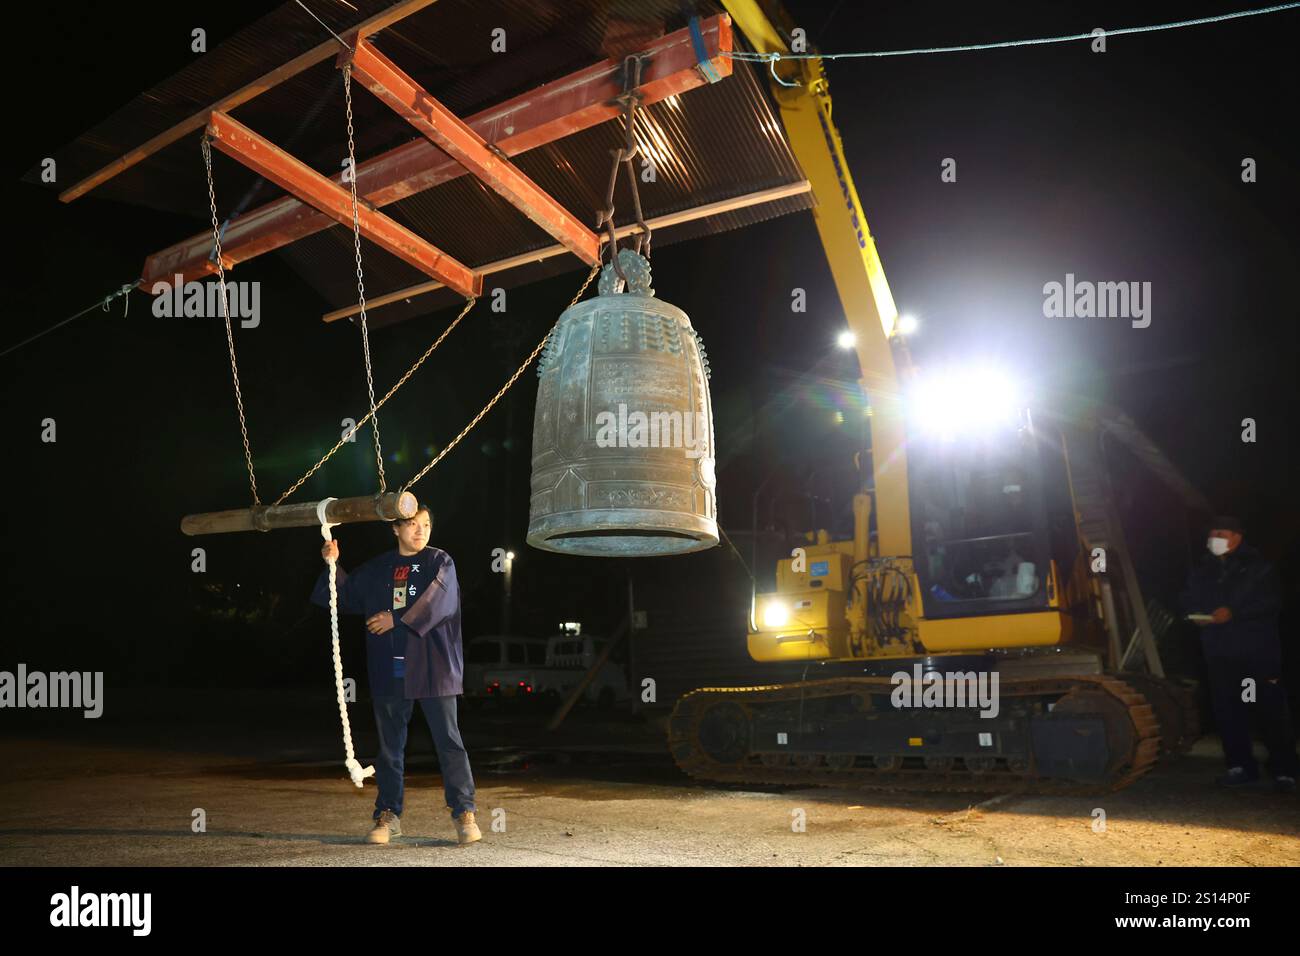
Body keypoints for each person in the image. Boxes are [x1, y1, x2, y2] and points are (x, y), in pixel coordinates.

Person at [311, 504, 482, 844]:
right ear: (395, 528)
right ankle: (388, 815)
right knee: (390, 747)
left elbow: (439, 603)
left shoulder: (440, 561)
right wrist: (332, 564)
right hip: (391, 665)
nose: (421, 530)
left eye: (427, 524)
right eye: (413, 524)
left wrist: (397, 618)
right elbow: (343, 596)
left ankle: (464, 812)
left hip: (434, 666)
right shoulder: (379, 568)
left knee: (448, 742)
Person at [1179, 515, 1297, 792]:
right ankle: (1240, 766)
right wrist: (1193, 615)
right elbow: (1186, 599)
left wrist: (1234, 613)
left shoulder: (1259, 568)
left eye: (1221, 532)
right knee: (1228, 711)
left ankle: (1284, 769)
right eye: (1212, 533)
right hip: (1220, 654)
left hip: (1257, 654)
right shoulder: (1202, 571)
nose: (1215, 538)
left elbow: (1271, 602)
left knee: (1270, 709)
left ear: (1237, 537)